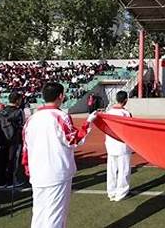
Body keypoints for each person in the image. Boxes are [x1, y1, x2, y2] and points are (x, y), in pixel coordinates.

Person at [22, 82, 97, 228]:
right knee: (55, 215)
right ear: (61, 96)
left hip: (37, 173)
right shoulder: (60, 116)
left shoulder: (31, 119)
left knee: (39, 213)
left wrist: (27, 168)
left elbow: (25, 147)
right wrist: (88, 122)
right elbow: (74, 140)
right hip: (57, 172)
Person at [105, 91, 132, 202]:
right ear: (125, 100)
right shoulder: (125, 113)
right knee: (124, 169)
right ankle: (121, 193)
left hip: (110, 144)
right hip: (122, 144)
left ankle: (111, 192)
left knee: (111, 169)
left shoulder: (108, 112)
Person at [0, 91, 26, 187]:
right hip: (15, 139)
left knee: (4, 160)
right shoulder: (19, 112)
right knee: (14, 160)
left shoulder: (2, 111)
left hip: (3, 139)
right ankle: (12, 181)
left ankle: (3, 181)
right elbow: (23, 126)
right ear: (17, 100)